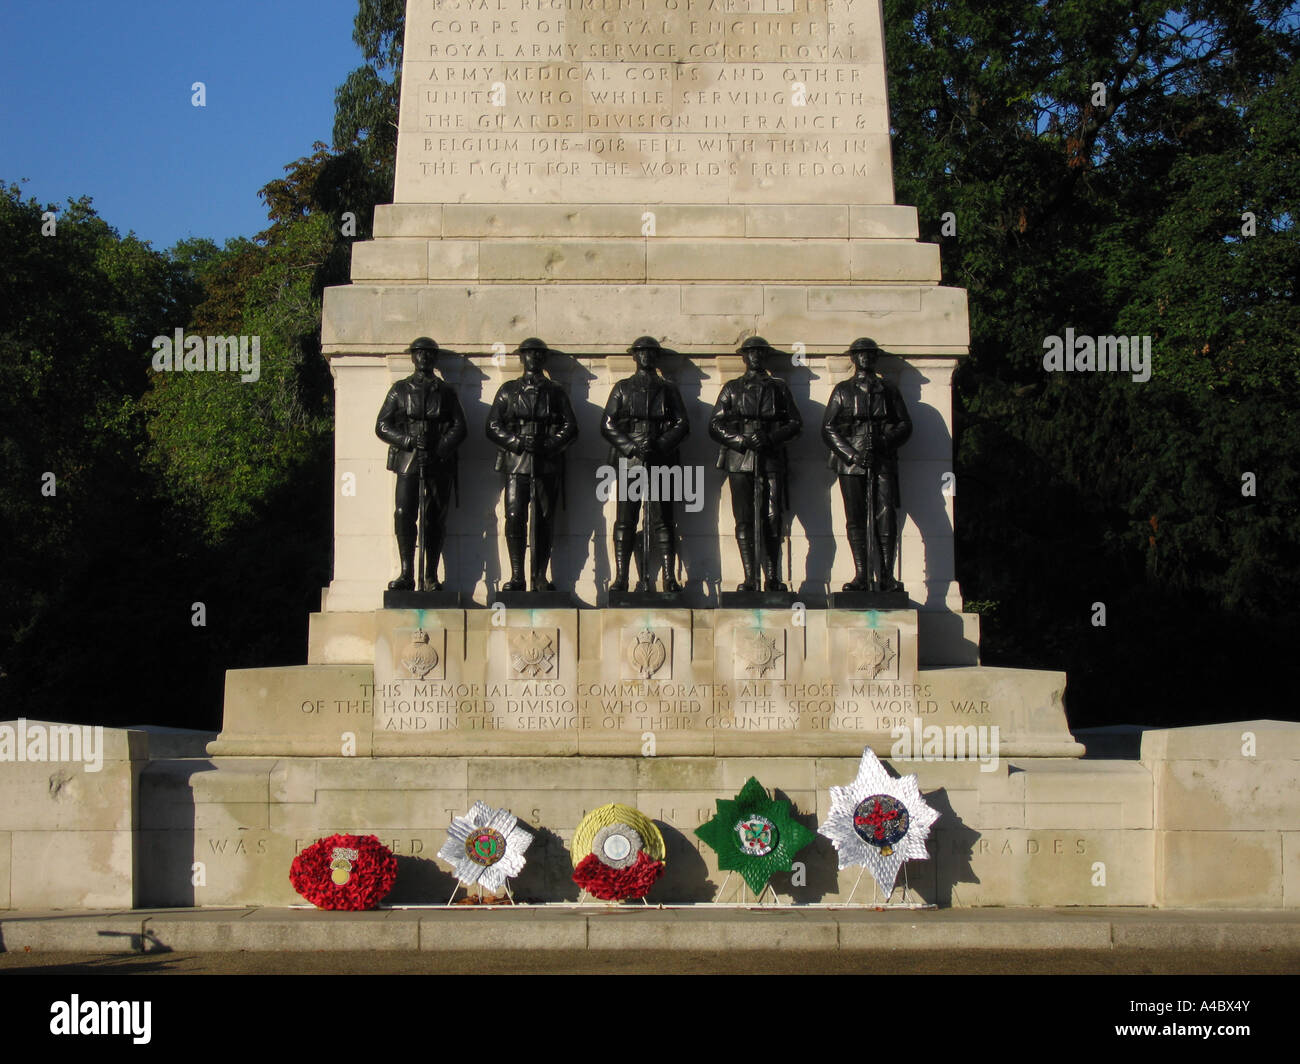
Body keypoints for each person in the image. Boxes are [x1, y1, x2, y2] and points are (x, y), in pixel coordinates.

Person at [708, 337, 803, 592]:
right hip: (740, 458)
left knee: (772, 517)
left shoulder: (778, 388)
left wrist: (771, 437)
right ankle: (750, 577)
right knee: (745, 519)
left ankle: (773, 576)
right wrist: (741, 439)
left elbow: (795, 423)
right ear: (744, 356)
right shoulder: (732, 387)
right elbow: (715, 424)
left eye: (760, 352)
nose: (755, 357)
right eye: (751, 352)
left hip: (770, 456)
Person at [485, 338, 578, 592]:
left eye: (538, 354)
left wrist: (549, 444)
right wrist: (516, 441)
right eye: (529, 354)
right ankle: (517, 575)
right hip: (517, 462)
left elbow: (570, 427)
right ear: (522, 357)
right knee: (515, 517)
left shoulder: (555, 391)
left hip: (546, 462)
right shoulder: (508, 389)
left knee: (543, 519)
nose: (534, 358)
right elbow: (493, 426)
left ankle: (539, 575)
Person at [374, 337, 467, 591]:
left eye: (428, 354)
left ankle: (430, 575)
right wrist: (408, 439)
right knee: (404, 514)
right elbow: (382, 425)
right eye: (419, 353)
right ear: (413, 357)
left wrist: (439, 449)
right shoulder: (400, 389)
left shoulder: (446, 391)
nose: (424, 357)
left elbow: (460, 427)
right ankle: (406, 573)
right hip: (408, 458)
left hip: (436, 459)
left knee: (434, 517)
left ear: (434, 359)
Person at [821, 337, 912, 593]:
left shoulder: (889, 389)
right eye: (860, 354)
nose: (865, 358)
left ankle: (886, 575)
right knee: (856, 518)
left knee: (886, 516)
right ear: (853, 358)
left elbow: (905, 425)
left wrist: (883, 442)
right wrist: (852, 455)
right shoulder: (843, 390)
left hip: (882, 458)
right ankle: (861, 574)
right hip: (852, 462)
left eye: (870, 354)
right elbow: (828, 428)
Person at [601, 336, 690, 593]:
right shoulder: (623, 387)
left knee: (663, 519)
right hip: (631, 460)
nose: (646, 356)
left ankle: (669, 577)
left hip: (661, 457)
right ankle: (622, 577)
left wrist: (661, 444)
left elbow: (682, 424)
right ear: (634, 356)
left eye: (651, 352)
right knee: (626, 520)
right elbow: (608, 423)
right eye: (642, 352)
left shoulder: (669, 388)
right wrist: (631, 446)